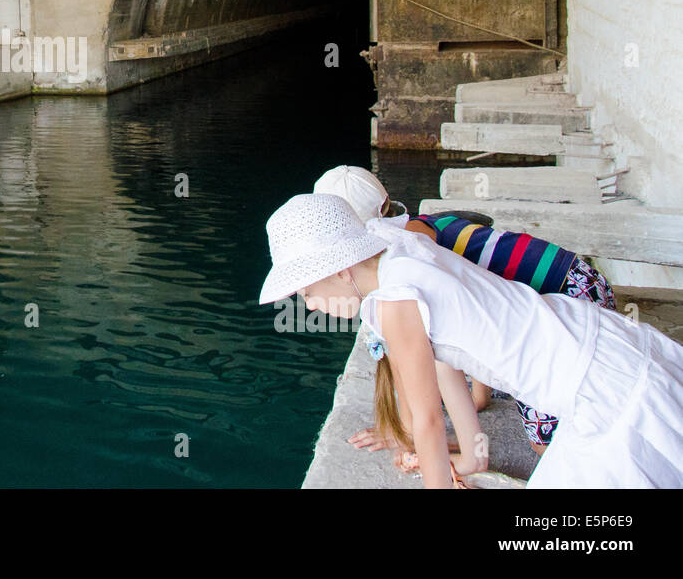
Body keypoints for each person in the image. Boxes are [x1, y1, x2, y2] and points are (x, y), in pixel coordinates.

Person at [259, 192, 683, 488]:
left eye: (307, 292)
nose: (311, 305)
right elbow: (448, 359)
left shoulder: (393, 302)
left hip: (598, 386)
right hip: (605, 343)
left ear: (339, 268)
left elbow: (426, 420)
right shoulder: (403, 247)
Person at [314, 165, 616, 455]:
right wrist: (478, 398)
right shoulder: (412, 231)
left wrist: (409, 433)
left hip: (571, 296)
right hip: (574, 282)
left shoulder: (413, 251)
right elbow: (475, 320)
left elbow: (412, 349)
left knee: (546, 444)